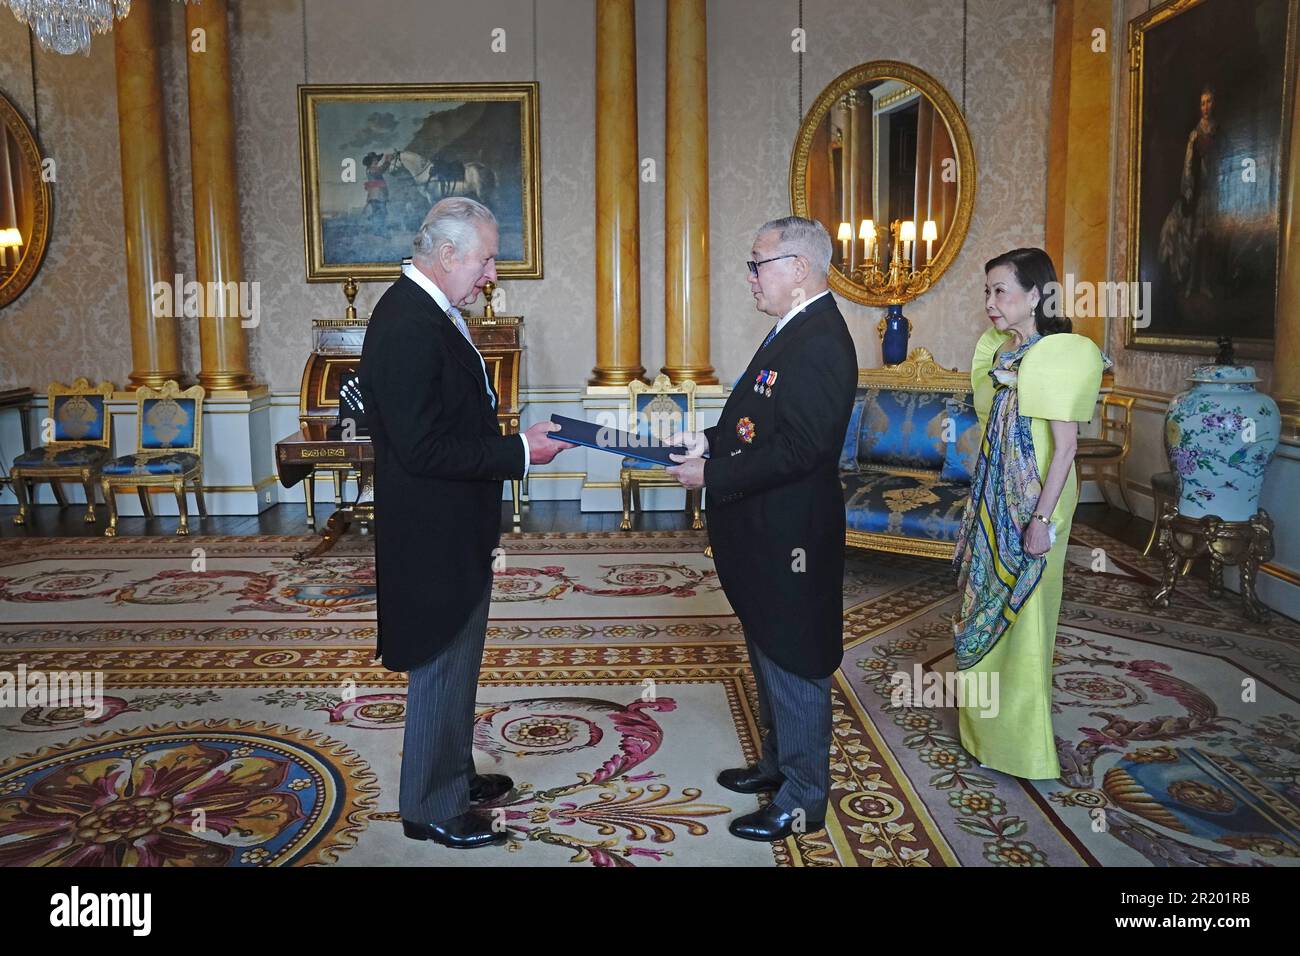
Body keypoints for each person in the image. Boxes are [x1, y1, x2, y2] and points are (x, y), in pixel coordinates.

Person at [358, 197, 572, 849]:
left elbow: (449, 420)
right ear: (446, 254)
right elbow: (423, 449)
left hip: (451, 523)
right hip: (431, 532)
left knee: (459, 659)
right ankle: (430, 807)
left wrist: (513, 439)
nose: (491, 275)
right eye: (484, 259)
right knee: (440, 663)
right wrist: (518, 452)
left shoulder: (431, 311)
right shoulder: (407, 323)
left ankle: (450, 773)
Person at [667, 216, 858, 841]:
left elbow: (803, 450)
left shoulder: (821, 339)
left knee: (795, 658)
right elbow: (758, 426)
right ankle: (778, 768)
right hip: (764, 531)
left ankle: (802, 798)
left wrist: (712, 474)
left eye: (758, 263)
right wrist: (709, 440)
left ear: (799, 269)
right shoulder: (791, 330)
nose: (749, 277)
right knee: (768, 647)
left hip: (792, 537)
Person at [952, 247, 1106, 779]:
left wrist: (1040, 520)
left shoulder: (1058, 354)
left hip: (1039, 498)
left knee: (1028, 611)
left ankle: (1025, 747)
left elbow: (1065, 448)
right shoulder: (1000, 352)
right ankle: (985, 732)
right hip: (997, 491)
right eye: (987, 292)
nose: (990, 303)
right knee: (983, 596)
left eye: (1001, 291)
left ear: (1037, 294)